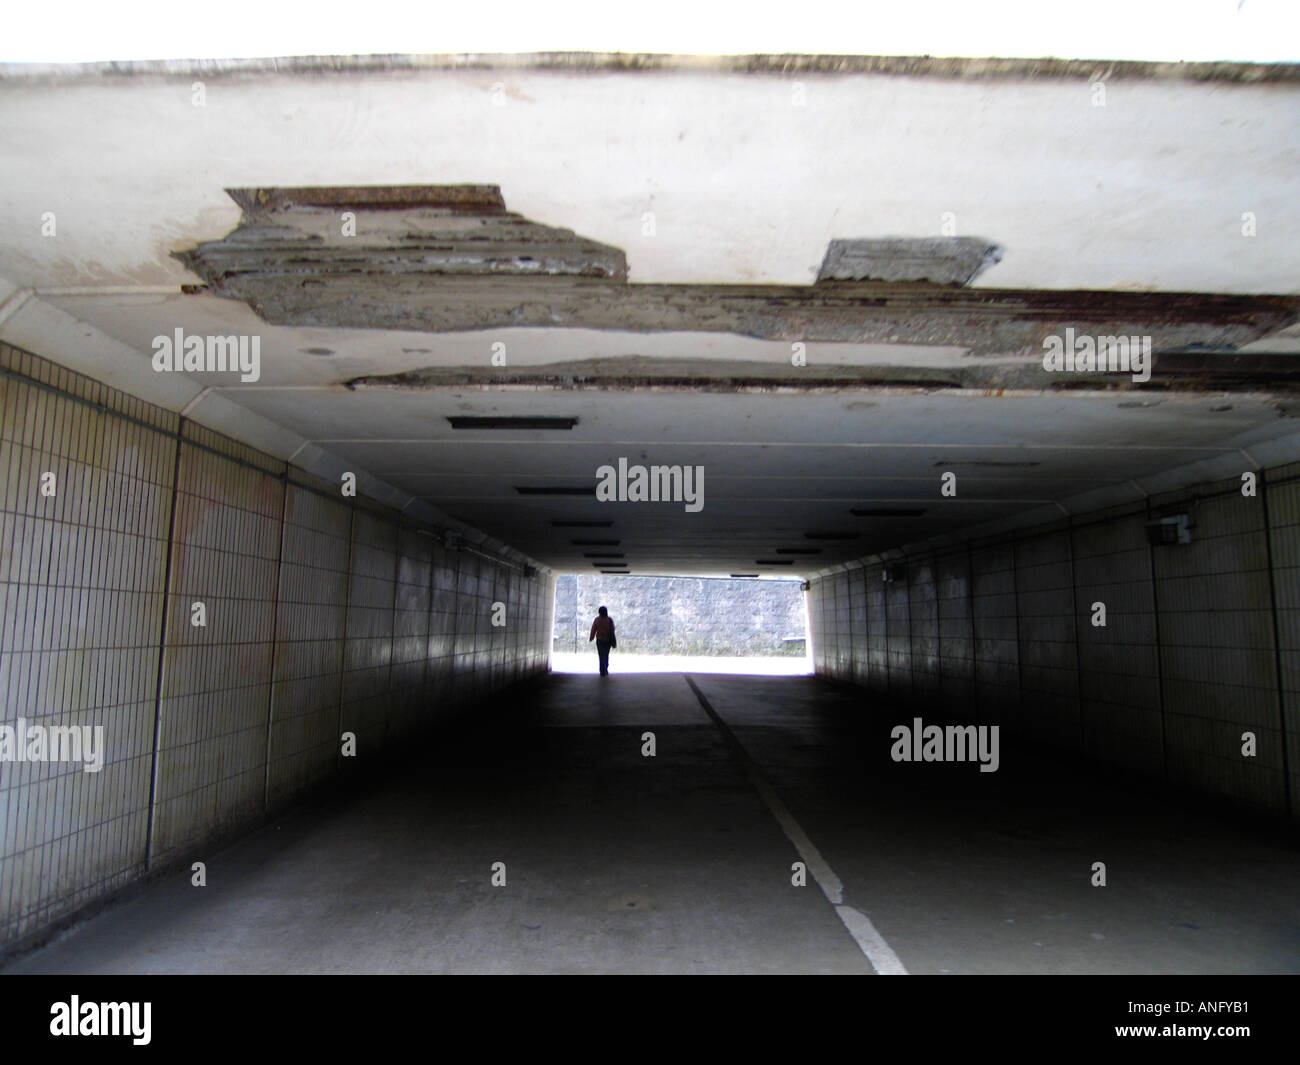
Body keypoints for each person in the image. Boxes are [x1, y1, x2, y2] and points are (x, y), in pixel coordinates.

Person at [589, 605, 616, 676]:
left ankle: (602, 670)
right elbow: (613, 629)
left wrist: (591, 637)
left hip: (600, 640)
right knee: (606, 654)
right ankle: (605, 669)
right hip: (608, 640)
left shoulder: (597, 620)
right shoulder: (609, 620)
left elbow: (593, 629)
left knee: (601, 655)